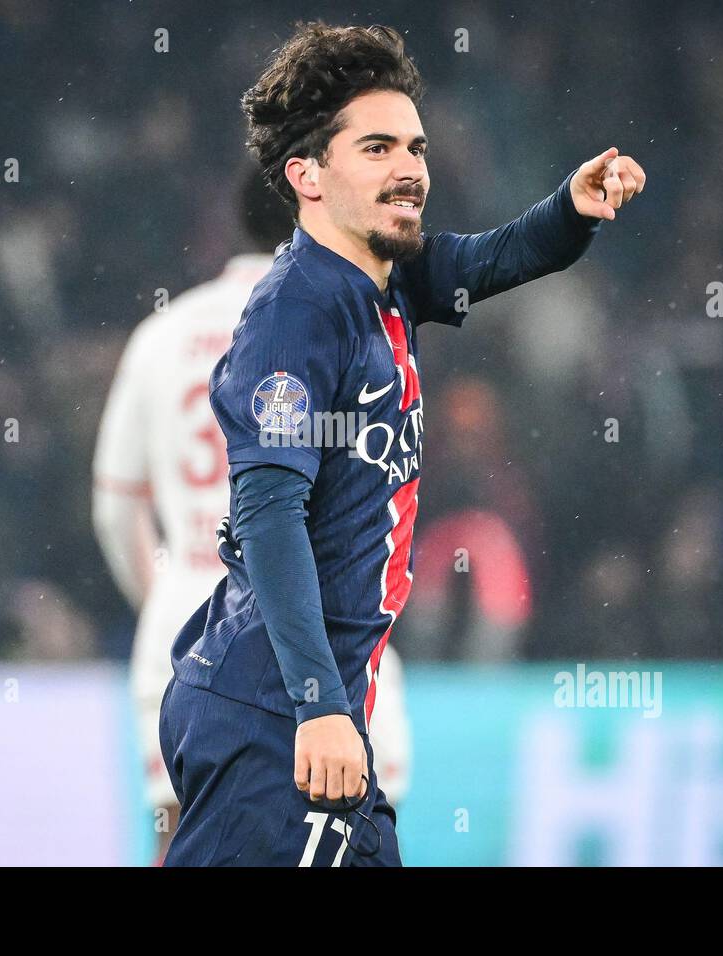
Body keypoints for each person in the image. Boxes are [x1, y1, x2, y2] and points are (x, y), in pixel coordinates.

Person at [159, 21, 644, 866]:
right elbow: (269, 514)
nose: (410, 168)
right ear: (306, 177)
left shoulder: (387, 283)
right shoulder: (295, 315)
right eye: (377, 147)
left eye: (414, 146)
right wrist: (316, 706)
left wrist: (573, 207)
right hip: (272, 716)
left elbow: (497, 257)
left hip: (313, 712)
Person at [93, 167, 412, 863]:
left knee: (183, 832)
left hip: (189, 624)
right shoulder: (350, 323)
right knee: (349, 830)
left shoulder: (163, 333)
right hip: (325, 621)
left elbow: (116, 507)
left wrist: (165, 593)